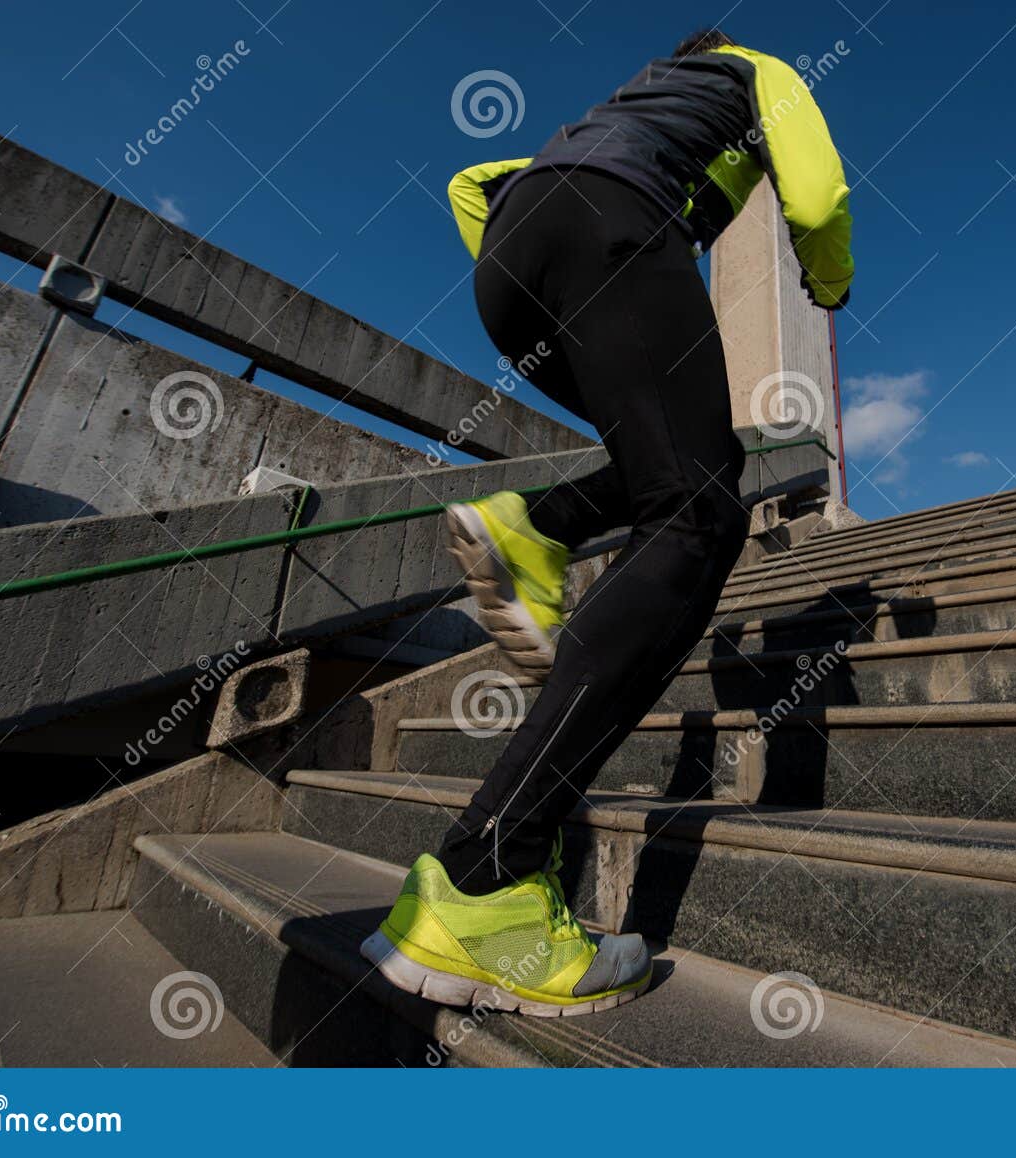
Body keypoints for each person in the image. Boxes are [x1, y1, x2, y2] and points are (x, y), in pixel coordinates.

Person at [362, 28, 853, 1017]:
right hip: (614, 232)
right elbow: (818, 191)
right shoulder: (754, 71)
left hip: (511, 267)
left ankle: (534, 525)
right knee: (700, 512)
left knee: (670, 470)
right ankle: (486, 882)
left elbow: (471, 185)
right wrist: (827, 274)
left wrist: (548, 286)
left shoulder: (613, 111)